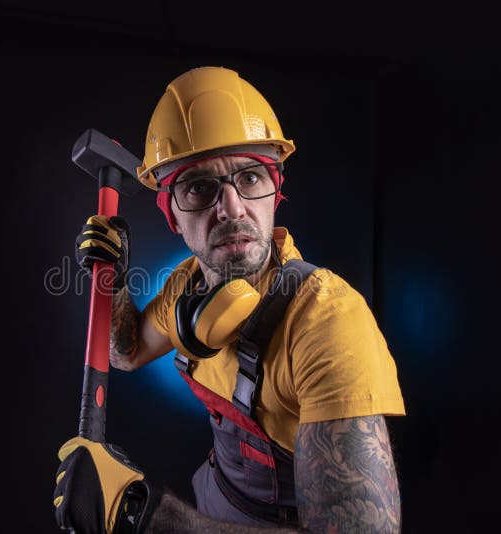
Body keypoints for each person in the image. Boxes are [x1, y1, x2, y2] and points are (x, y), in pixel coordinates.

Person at [54, 66, 406, 533]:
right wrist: (114, 281)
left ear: (275, 191)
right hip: (215, 498)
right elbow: (126, 352)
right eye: (199, 187)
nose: (232, 207)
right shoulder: (188, 286)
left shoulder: (327, 320)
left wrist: (147, 516)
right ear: (172, 217)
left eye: (251, 178)